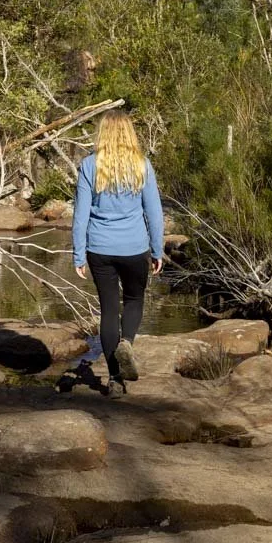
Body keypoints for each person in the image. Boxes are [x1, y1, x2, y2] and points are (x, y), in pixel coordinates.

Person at [72, 111, 164, 397]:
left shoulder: (89, 165)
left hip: (99, 249)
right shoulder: (142, 165)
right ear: (129, 134)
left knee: (109, 310)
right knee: (135, 299)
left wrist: (78, 254)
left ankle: (114, 380)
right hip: (135, 247)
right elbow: (154, 213)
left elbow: (81, 215)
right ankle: (128, 342)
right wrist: (158, 249)